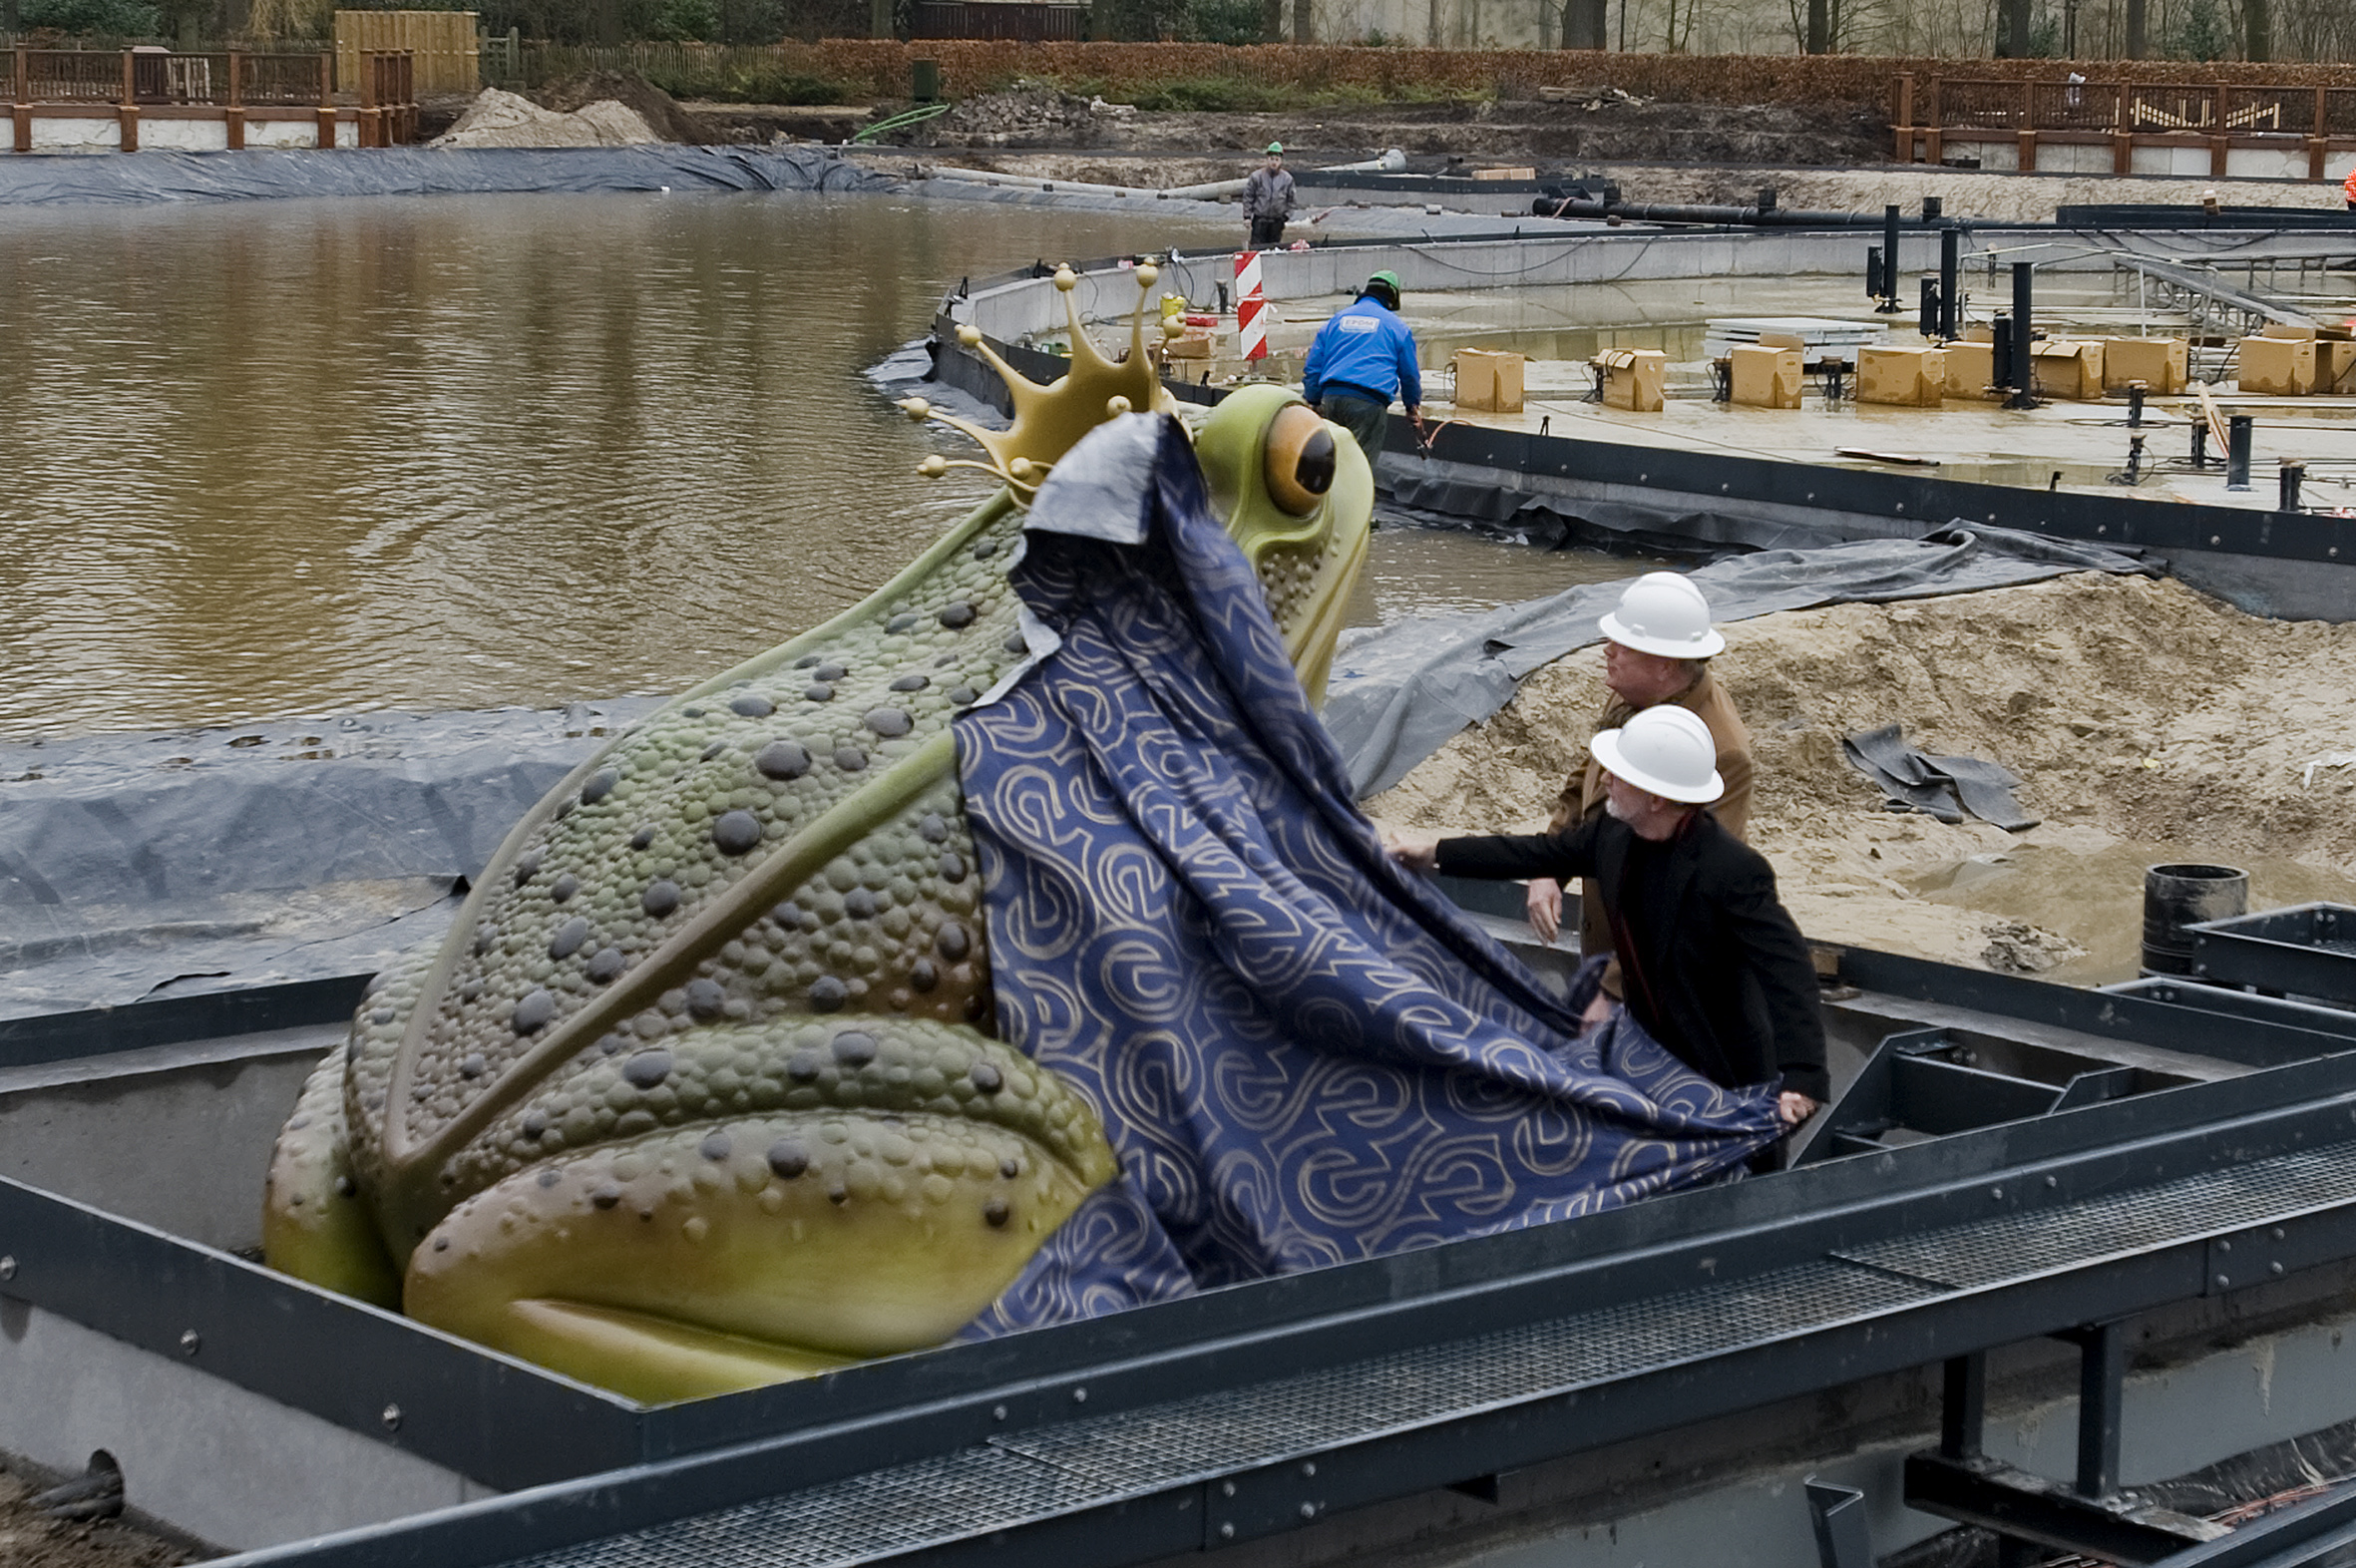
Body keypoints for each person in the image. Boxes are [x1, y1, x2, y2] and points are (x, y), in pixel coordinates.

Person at [1387, 705, 1825, 1128]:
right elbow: (1537, 852)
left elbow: (1787, 969)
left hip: (1722, 1069)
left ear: (1657, 797)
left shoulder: (1732, 871)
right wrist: (1433, 853)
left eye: (1620, 774)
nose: (1605, 780)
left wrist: (1803, 1077)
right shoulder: (1613, 833)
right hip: (1652, 1056)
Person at [1528, 572, 1753, 1028]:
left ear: (1665, 664)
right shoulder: (1635, 699)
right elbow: (1586, 785)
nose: (1607, 650)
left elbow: (1686, 898)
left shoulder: (1719, 754)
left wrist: (1612, 991)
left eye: (1624, 644)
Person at [1301, 270, 1423, 467]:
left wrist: (1314, 400)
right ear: (1392, 299)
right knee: (1359, 468)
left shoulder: (1336, 321)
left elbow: (1314, 366)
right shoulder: (1397, 327)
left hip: (1332, 398)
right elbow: (1409, 375)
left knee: (1334, 462)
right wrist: (1412, 406)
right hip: (1369, 402)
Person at [1242, 142, 1298, 250]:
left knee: (1274, 250)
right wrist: (1247, 217)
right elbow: (1248, 197)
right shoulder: (1256, 177)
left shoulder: (1287, 179)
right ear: (1267, 159)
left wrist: (1286, 216)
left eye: (1276, 160)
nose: (1274, 162)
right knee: (1256, 249)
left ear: (1281, 161)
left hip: (1277, 222)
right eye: (1272, 159)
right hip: (1259, 221)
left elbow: (1292, 200)